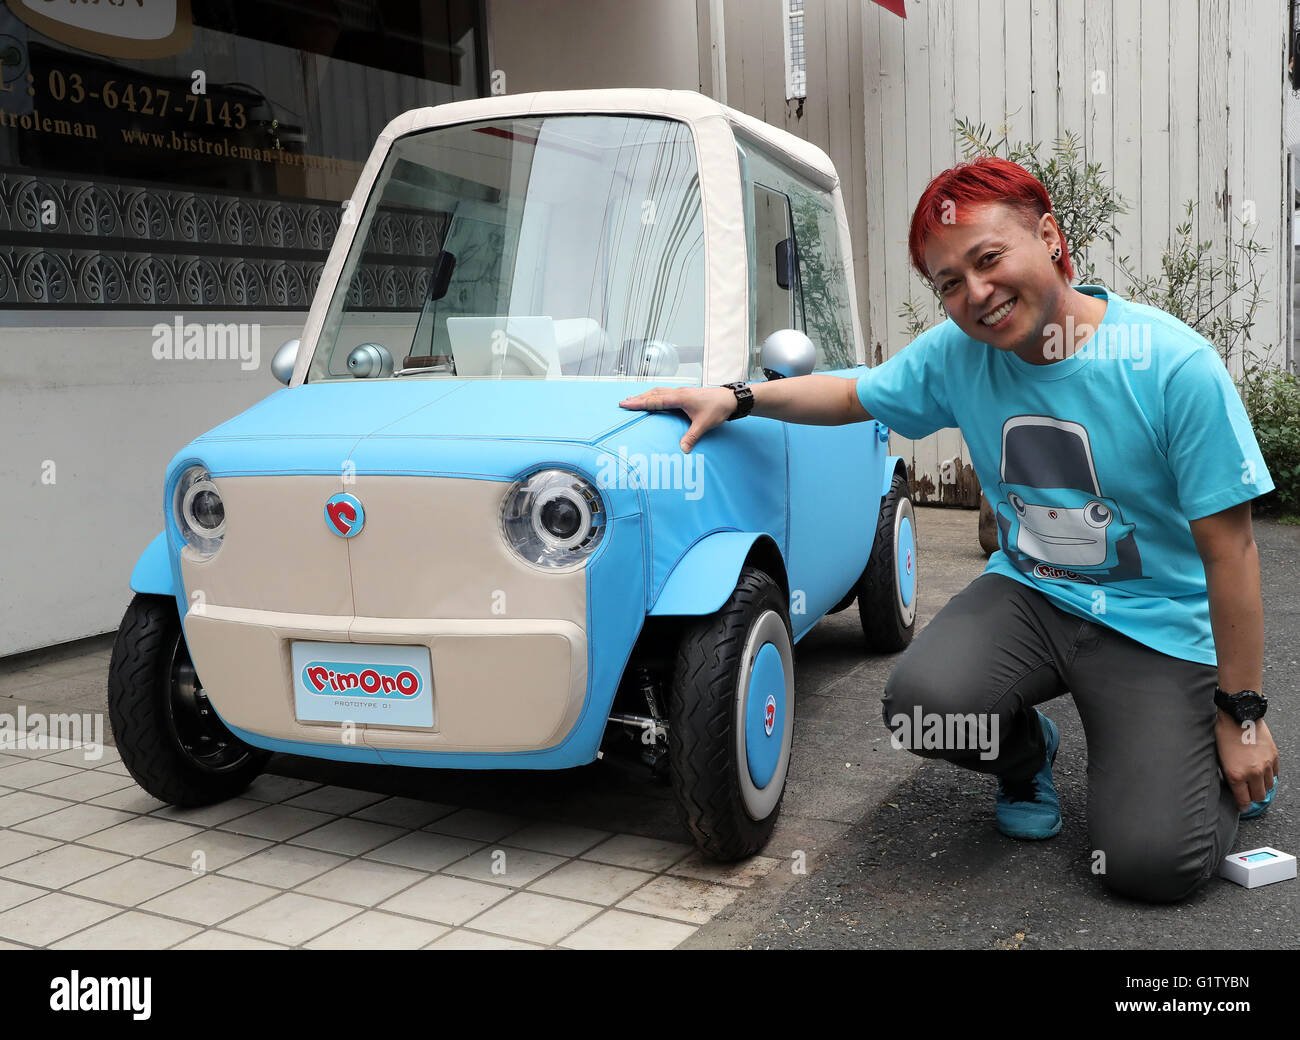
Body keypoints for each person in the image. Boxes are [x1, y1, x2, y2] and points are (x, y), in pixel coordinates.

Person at [619, 156, 1279, 903]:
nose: (978, 295)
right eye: (950, 284)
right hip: (1036, 597)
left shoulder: (1170, 366)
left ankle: (1193, 765)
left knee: (1154, 865)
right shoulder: (960, 357)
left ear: (1051, 235)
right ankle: (1028, 757)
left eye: (989, 258)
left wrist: (1242, 713)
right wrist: (735, 398)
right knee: (925, 711)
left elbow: (1232, 554)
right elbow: (849, 393)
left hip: (1154, 627)